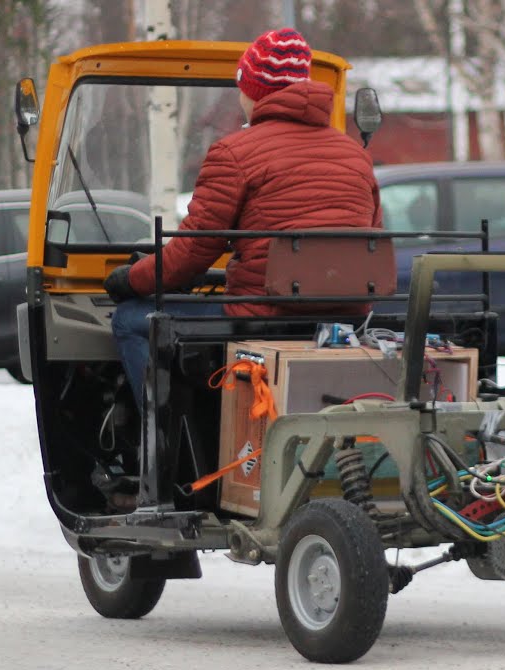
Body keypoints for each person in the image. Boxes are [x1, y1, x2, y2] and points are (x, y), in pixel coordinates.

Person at [105, 27, 382, 408]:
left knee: (130, 319)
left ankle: (161, 453)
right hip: (345, 322)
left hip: (264, 318)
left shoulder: (235, 152)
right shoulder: (356, 155)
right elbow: (373, 240)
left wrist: (130, 280)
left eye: (242, 87)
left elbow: (190, 256)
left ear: (254, 91)